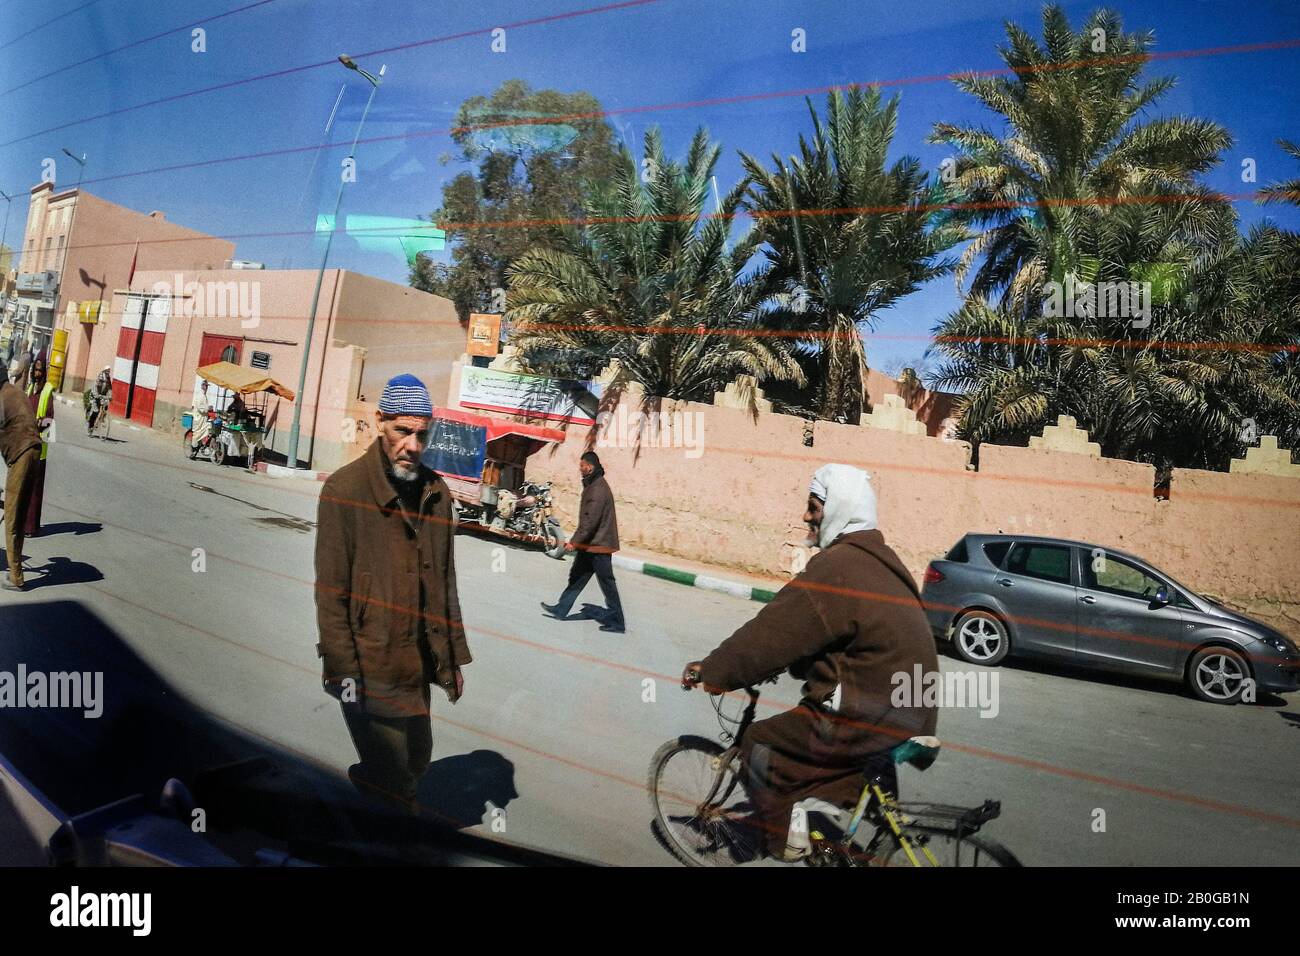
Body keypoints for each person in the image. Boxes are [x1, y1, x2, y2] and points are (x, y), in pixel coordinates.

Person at [682, 463, 939, 861]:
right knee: (842, 773)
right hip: (912, 710)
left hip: (872, 712)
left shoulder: (839, 566)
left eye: (814, 507)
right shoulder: (881, 559)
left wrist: (715, 670)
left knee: (762, 743)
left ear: (838, 508)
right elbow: (833, 638)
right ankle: (870, 836)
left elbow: (773, 632)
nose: (806, 516)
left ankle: (785, 840)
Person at [314, 373, 471, 810]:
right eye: (403, 431)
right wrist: (344, 671)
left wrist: (453, 657)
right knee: (398, 784)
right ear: (380, 421)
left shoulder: (436, 494)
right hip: (369, 663)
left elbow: (445, 582)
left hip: (415, 666)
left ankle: (367, 792)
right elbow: (331, 594)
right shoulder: (344, 490)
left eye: (422, 434)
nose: (413, 445)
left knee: (417, 762)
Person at [541, 450, 625, 633]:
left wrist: (574, 542)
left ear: (590, 466)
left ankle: (618, 622)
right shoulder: (594, 485)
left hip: (599, 546)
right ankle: (561, 609)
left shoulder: (597, 490)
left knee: (607, 584)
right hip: (591, 545)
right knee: (577, 576)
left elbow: (590, 522)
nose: (580, 469)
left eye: (582, 466)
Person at [0, 365, 42, 591]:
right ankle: (16, 570)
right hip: (35, 452)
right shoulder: (16, 391)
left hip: (21, 454)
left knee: (12, 517)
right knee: (21, 511)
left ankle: (16, 577)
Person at [23, 356, 54, 538]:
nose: (36, 373)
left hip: (40, 445)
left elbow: (51, 418)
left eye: (40, 371)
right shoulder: (30, 388)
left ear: (44, 373)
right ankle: (22, 521)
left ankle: (31, 526)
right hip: (26, 443)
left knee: (35, 487)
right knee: (24, 484)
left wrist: (38, 423)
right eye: (35, 370)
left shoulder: (48, 391)